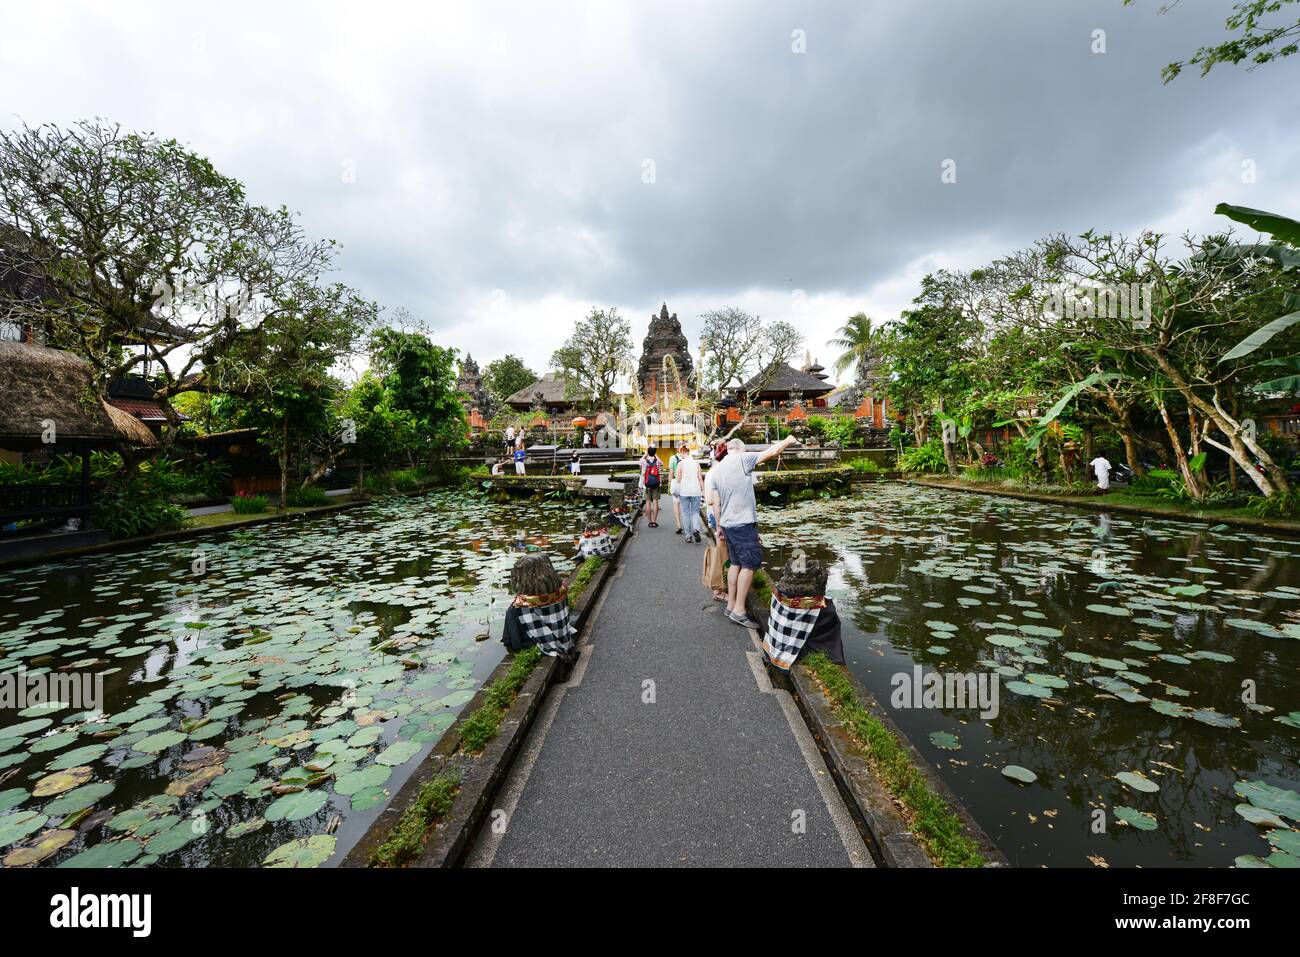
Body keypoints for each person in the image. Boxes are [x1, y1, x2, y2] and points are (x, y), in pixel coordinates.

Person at [713, 434, 797, 628]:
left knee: (735, 563)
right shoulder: (743, 459)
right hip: (742, 523)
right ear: (740, 449)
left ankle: (731, 604)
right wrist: (788, 440)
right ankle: (739, 610)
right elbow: (771, 452)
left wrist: (719, 527)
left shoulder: (718, 469)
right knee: (750, 565)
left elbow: (716, 501)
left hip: (728, 523)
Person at [702, 440, 730, 600]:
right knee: (721, 553)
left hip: (715, 514)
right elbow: (710, 499)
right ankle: (718, 590)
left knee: (723, 552)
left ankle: (721, 588)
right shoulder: (717, 473)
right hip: (717, 514)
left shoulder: (713, 471)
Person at [675, 444, 704, 544]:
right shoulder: (696, 463)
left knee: (685, 513)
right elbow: (700, 478)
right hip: (696, 491)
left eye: (680, 453)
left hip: (684, 491)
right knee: (695, 512)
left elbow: (678, 479)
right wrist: (703, 490)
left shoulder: (680, 464)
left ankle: (688, 536)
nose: (680, 455)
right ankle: (696, 529)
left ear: (683, 452)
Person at [639, 447, 663, 527]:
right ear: (655, 452)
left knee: (648, 502)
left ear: (648, 452)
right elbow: (662, 463)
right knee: (655, 502)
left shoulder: (644, 461)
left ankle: (650, 521)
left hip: (647, 484)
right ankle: (654, 521)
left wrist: (645, 455)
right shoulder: (658, 461)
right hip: (656, 483)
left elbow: (639, 461)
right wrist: (656, 455)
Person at [668, 443, 687, 533]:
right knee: (686, 505)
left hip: (676, 482)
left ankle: (679, 524)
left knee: (676, 504)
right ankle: (687, 525)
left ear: (677, 448)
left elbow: (671, 472)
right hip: (686, 483)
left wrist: (669, 484)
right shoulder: (687, 458)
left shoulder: (673, 458)